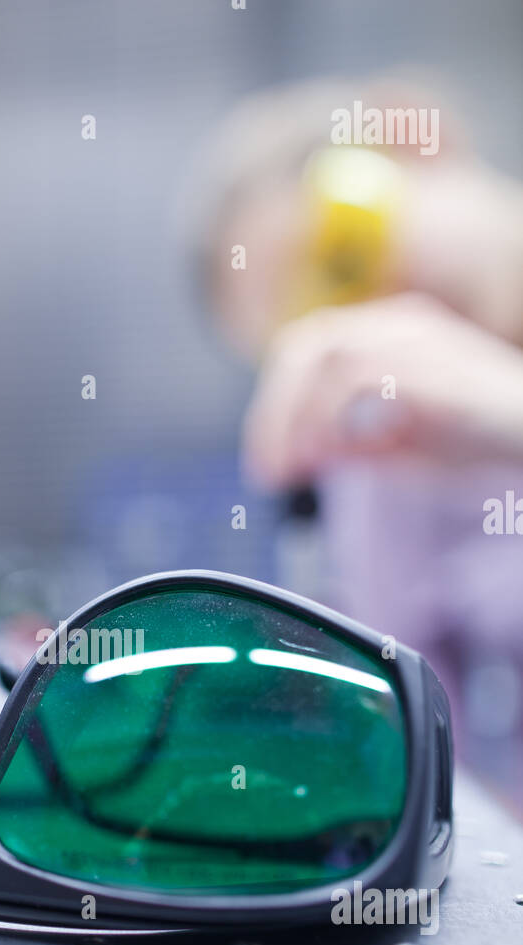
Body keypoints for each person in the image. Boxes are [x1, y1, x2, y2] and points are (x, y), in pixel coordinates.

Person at [187, 73, 523, 793]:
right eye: (321, 333)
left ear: (412, 132)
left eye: (347, 257)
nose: (379, 321)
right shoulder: (385, 474)